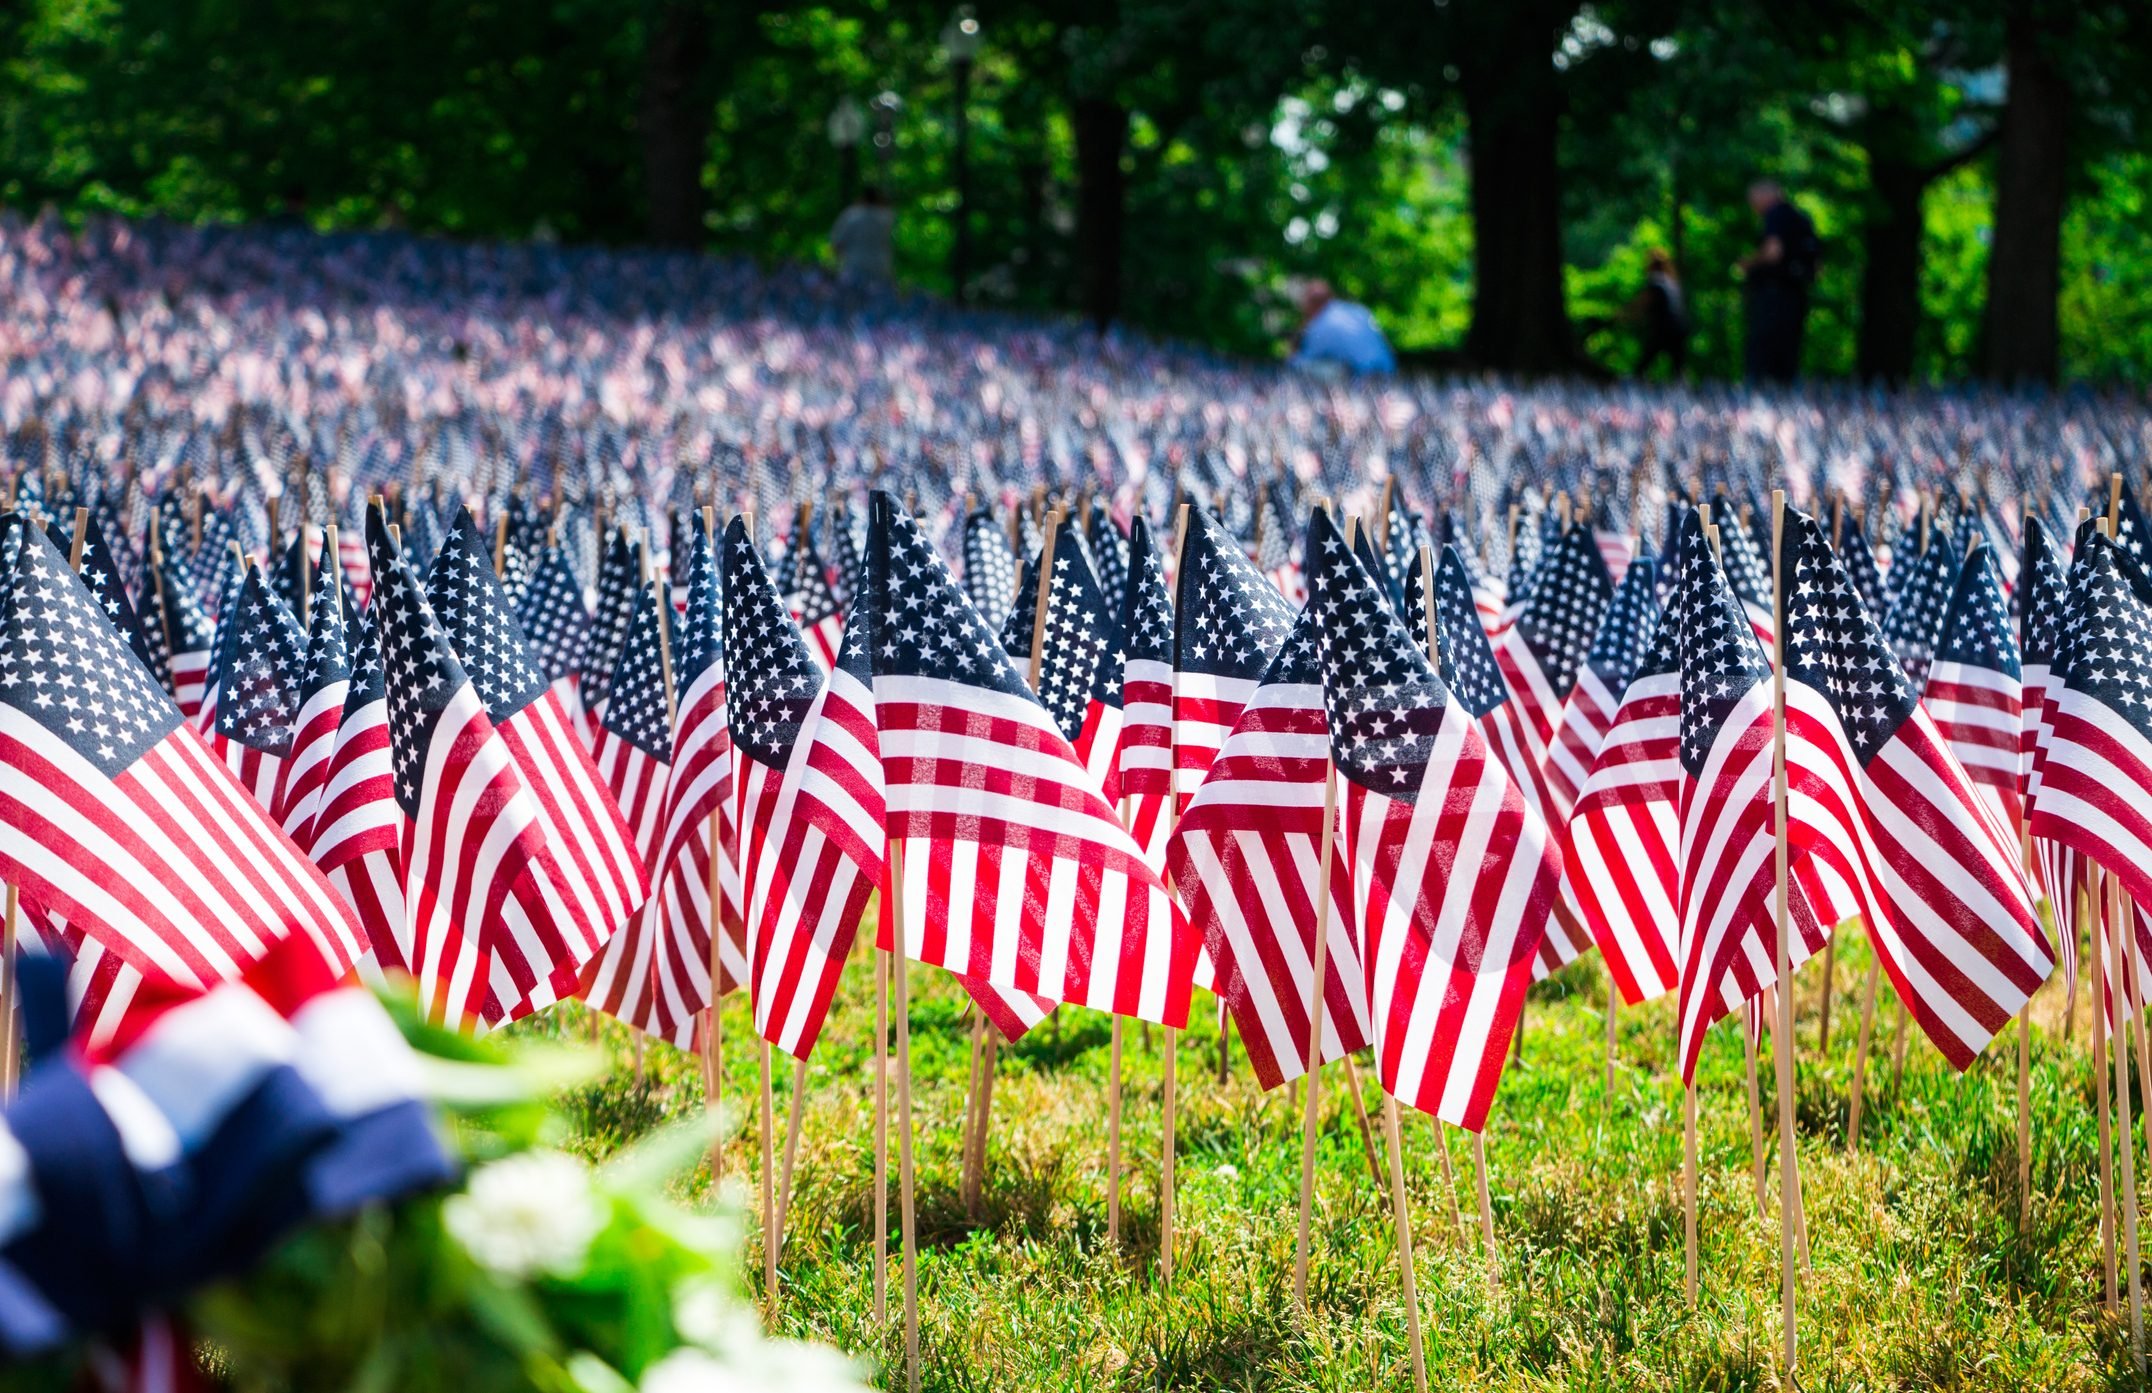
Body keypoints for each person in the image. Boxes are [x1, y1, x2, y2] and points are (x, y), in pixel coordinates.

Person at [1737, 179, 1819, 384]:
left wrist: (1749, 263)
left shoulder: (1775, 215)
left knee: (1762, 345)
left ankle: (1755, 391)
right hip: (1797, 292)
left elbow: (1774, 252)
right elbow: (1817, 266)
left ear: (1766, 196)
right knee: (1789, 347)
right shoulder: (1802, 219)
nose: (1753, 207)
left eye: (1753, 200)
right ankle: (1785, 392)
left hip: (1773, 293)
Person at [1288, 279, 1395, 377]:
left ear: (1310, 305)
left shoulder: (1321, 324)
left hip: (1361, 377)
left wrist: (1292, 350)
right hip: (1389, 371)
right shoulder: (1359, 310)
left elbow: (1304, 359)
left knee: (1298, 365)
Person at [1626, 249, 1691, 379]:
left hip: (1664, 328)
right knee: (1678, 366)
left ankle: (1632, 386)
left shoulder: (1655, 281)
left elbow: (1643, 303)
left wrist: (1624, 316)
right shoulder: (1671, 282)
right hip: (1680, 326)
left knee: (1645, 362)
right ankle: (1683, 391)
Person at [829, 187, 895, 287]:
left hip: (855, 266)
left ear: (862, 198)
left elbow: (837, 244)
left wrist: (836, 262)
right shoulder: (886, 218)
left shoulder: (851, 216)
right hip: (880, 268)